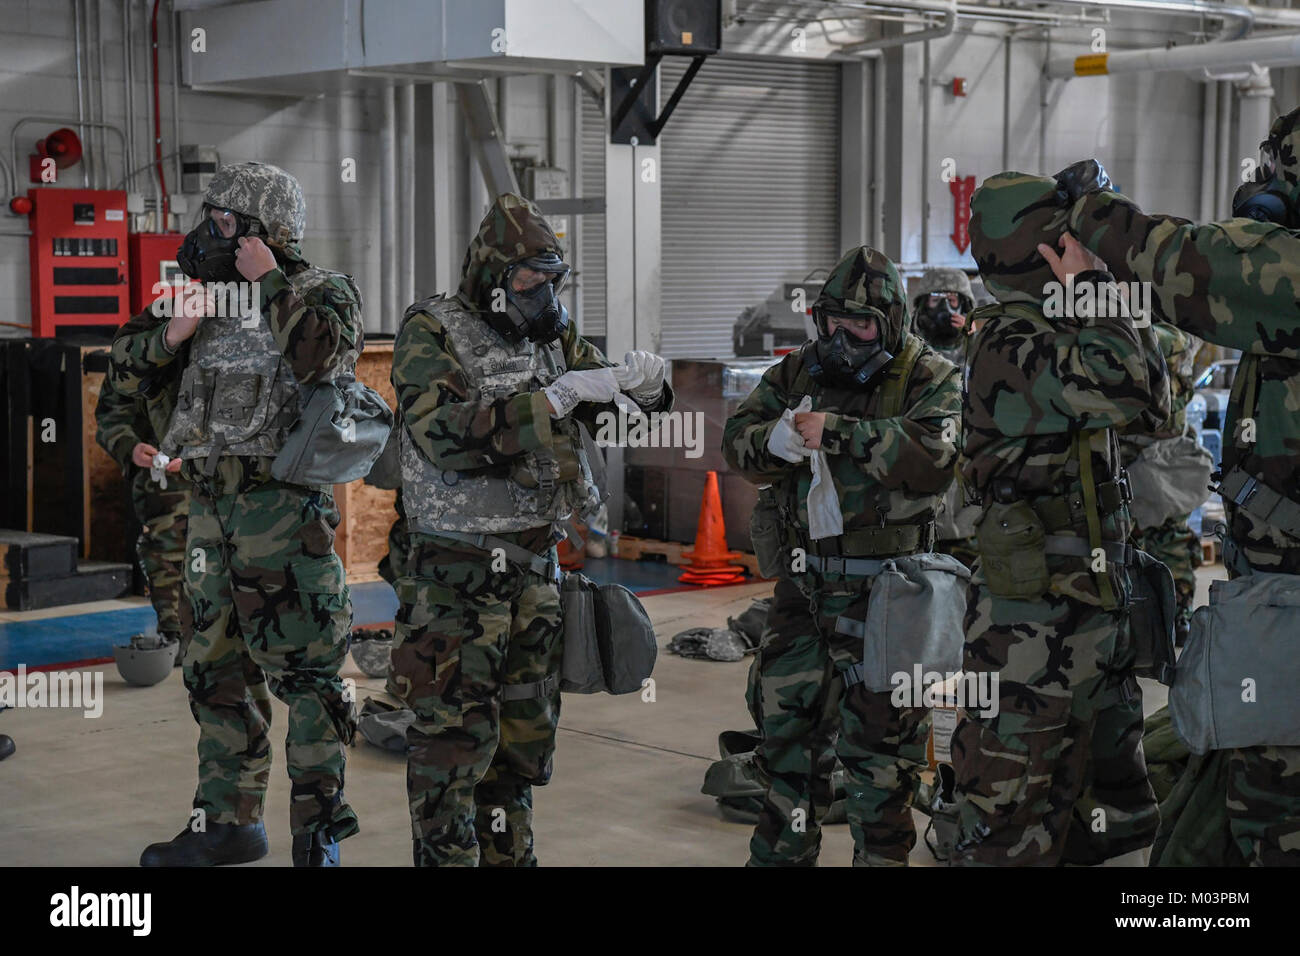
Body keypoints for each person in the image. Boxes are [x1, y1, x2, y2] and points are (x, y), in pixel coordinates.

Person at [389, 193, 672, 866]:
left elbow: (604, 419)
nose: (543, 296)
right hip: (455, 580)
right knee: (452, 748)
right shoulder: (433, 330)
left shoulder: (554, 336)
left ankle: (510, 858)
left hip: (535, 576)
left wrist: (645, 394)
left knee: (521, 744)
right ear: (491, 279)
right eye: (528, 282)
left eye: (554, 281)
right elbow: (448, 437)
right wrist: (557, 398)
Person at [1058, 115, 1300, 864]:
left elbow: (1192, 266)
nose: (1267, 196)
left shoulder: (1285, 278)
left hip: (1288, 600)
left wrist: (1091, 209)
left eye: (1282, 178)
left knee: (1274, 805)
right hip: (1274, 591)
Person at [110, 162, 363, 867]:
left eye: (222, 220)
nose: (206, 232)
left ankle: (317, 831)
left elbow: (320, 358)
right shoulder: (199, 295)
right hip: (208, 514)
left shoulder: (321, 291)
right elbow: (125, 361)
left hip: (284, 517)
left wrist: (270, 281)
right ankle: (227, 822)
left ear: (263, 231)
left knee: (307, 677)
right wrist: (171, 334)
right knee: (213, 670)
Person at [952, 171, 1170, 867]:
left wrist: (1097, 297)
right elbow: (1127, 383)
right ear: (1043, 251)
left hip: (1090, 603)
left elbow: (1153, 405)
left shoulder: (1064, 327)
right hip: (1029, 621)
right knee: (1011, 811)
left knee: (1099, 806)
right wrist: (1096, 291)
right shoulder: (1007, 346)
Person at [722, 245, 960, 865]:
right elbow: (737, 444)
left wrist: (841, 432)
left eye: (861, 325)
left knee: (880, 761)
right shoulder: (798, 372)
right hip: (803, 590)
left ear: (890, 323)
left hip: (888, 596)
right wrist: (769, 442)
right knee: (785, 741)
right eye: (833, 321)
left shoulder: (926, 375)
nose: (843, 337)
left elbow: (935, 457)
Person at [1116, 323, 1205, 645]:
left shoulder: (1161, 336)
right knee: (1167, 536)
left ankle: (1164, 615)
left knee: (1152, 536)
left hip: (1149, 451)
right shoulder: (1177, 333)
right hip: (1155, 450)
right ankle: (1173, 615)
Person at [95, 371, 190, 661]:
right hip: (160, 472)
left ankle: (226, 633)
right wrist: (130, 448)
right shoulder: (137, 348)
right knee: (166, 547)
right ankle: (177, 633)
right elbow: (111, 416)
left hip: (226, 465)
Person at [912, 268, 981, 568]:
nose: (944, 309)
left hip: (971, 498)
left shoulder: (983, 351)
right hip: (921, 496)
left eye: (953, 300)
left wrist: (977, 337)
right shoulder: (908, 354)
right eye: (936, 300)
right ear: (921, 306)